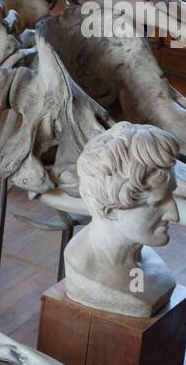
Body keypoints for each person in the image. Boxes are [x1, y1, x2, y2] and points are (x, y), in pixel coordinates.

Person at [65, 122, 180, 318]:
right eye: (156, 203)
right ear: (110, 210)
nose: (175, 215)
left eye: (171, 197)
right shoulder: (83, 269)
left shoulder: (148, 264)